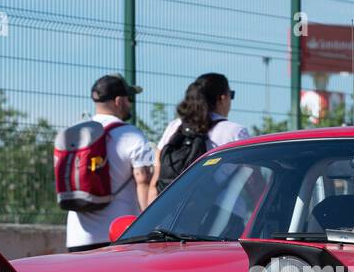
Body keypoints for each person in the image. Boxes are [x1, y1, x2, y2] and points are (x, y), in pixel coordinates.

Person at [65, 75, 155, 251]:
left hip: (78, 237)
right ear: (118, 101)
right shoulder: (131, 134)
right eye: (129, 99)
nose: (130, 104)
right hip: (120, 236)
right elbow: (143, 181)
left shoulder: (76, 133)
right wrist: (151, 227)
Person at [155, 73, 250, 200]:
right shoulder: (235, 132)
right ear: (222, 98)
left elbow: (155, 181)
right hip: (222, 214)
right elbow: (253, 180)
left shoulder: (174, 127)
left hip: (175, 213)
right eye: (231, 95)